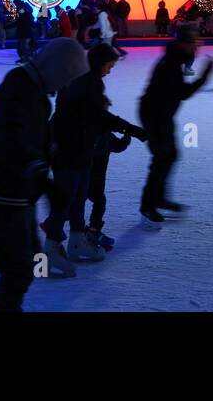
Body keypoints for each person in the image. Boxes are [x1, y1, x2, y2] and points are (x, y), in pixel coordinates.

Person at [0, 38, 87, 309]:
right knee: (17, 269)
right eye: (67, 77)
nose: (66, 85)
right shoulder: (20, 88)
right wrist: (43, 179)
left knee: (29, 256)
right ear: (57, 69)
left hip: (16, 193)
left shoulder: (35, 90)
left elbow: (31, 140)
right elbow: (13, 139)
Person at [41, 44, 145, 267]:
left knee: (78, 197)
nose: (110, 70)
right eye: (109, 65)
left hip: (80, 149)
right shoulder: (84, 82)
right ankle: (50, 249)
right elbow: (98, 117)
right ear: (100, 63)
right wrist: (133, 131)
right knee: (65, 199)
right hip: (67, 149)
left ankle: (77, 241)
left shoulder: (86, 80)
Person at [138, 25, 213, 226]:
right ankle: (148, 205)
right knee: (162, 158)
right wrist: (204, 77)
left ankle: (158, 198)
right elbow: (183, 93)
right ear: (182, 43)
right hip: (154, 115)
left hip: (161, 113)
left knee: (169, 155)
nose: (196, 48)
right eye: (193, 43)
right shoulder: (170, 63)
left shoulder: (175, 58)